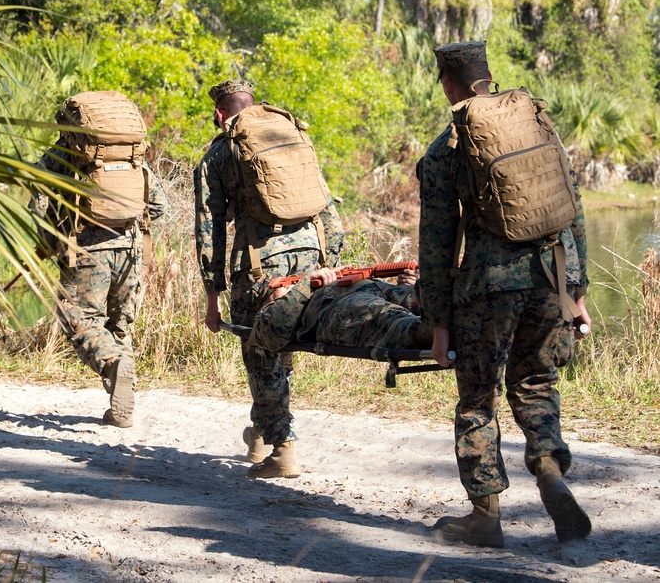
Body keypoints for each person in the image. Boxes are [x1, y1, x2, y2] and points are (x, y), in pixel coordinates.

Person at [417, 41, 593, 547]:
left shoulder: (448, 148)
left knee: (478, 398)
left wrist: (439, 322)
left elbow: (436, 245)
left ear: (448, 84)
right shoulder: (541, 127)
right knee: (536, 383)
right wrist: (575, 293)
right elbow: (573, 212)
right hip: (554, 275)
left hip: (490, 289)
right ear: (489, 77)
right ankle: (549, 471)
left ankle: (485, 517)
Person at [194, 79, 345, 478]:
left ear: (220, 113)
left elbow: (209, 232)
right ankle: (261, 432)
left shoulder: (220, 155)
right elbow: (329, 212)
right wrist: (328, 265)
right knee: (283, 345)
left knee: (259, 351)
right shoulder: (287, 135)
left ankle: (283, 448)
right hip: (312, 256)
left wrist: (213, 296)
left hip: (261, 266)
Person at [29, 92, 167, 428]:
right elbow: (159, 205)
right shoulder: (135, 158)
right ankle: (122, 407)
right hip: (132, 249)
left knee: (73, 313)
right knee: (120, 324)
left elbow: (38, 207)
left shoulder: (58, 157)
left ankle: (110, 363)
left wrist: (46, 243)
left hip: (86, 250)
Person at [250, 268, 430, 355]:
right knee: (378, 314)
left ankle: (443, 315)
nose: (287, 287)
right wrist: (304, 285)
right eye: (280, 287)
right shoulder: (269, 316)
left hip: (371, 287)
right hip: (334, 306)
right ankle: (428, 332)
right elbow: (272, 335)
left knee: (415, 294)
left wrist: (411, 287)